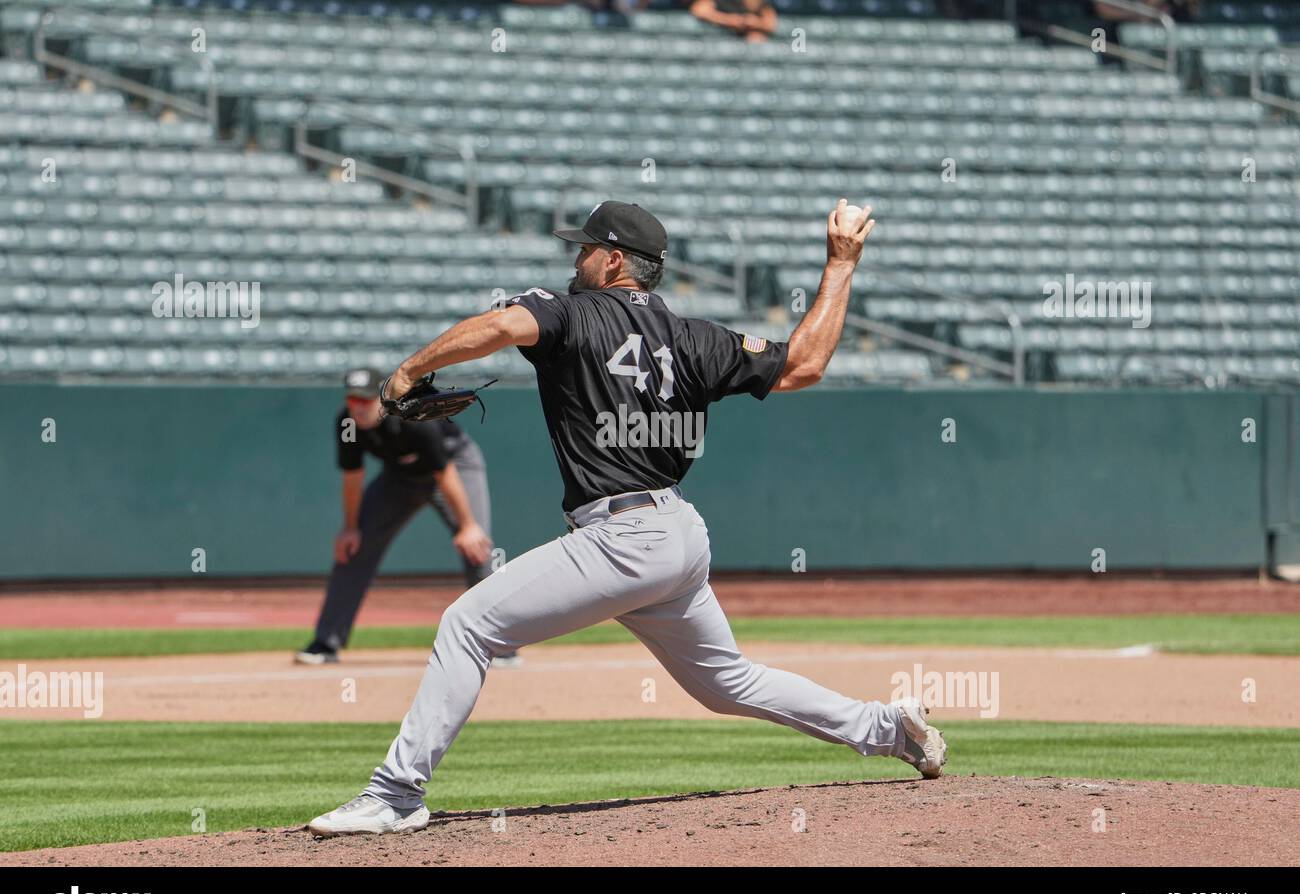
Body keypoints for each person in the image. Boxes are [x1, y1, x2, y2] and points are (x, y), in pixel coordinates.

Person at [307, 200, 946, 836]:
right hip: (678, 536)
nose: (575, 257)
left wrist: (409, 371)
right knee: (729, 682)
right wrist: (840, 264)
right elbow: (805, 364)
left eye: (584, 248)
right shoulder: (697, 336)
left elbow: (501, 328)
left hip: (623, 539)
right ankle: (887, 728)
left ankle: (394, 795)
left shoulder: (569, 313)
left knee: (467, 624)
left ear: (614, 261)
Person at [295, 368, 515, 666]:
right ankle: (326, 642)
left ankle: (501, 645)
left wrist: (466, 525)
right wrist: (350, 528)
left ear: (381, 398)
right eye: (352, 399)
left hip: (455, 466)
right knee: (353, 549)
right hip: (400, 478)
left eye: (365, 399)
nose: (358, 406)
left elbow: (444, 471)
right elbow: (352, 479)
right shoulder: (346, 423)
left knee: (476, 549)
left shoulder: (408, 416)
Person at [689, 0, 777, 44]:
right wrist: (729, 20)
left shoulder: (757, 3)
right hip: (717, 37)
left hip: (745, 38)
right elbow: (700, 11)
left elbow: (770, 24)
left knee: (757, 38)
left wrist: (754, 23)